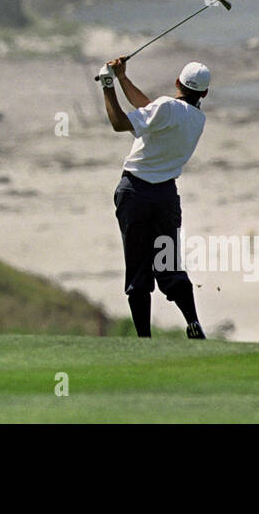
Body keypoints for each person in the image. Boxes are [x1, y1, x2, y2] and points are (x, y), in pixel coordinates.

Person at [98, 58, 211, 339]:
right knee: (169, 265)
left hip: (135, 192)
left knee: (138, 271)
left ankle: (144, 339)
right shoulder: (197, 119)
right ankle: (193, 322)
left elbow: (118, 123)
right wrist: (124, 78)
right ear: (204, 94)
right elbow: (149, 109)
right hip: (165, 198)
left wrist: (108, 85)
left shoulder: (165, 108)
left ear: (177, 83)